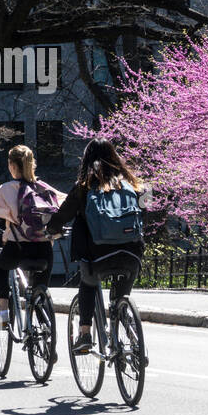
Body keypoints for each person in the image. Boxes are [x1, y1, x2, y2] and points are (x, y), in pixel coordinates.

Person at [46, 138, 146, 354]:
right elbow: (147, 207)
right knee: (121, 295)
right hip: (131, 254)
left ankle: (84, 333)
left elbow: (62, 216)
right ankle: (129, 330)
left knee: (88, 282)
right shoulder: (133, 184)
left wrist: (50, 230)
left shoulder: (83, 187)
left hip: (97, 258)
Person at [0, 145, 64, 330]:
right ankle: (46, 332)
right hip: (45, 250)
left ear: (12, 165)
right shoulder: (45, 188)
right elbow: (64, 203)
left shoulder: (7, 189)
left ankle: (3, 313)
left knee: (0, 269)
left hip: (18, 249)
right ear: (32, 165)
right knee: (40, 292)